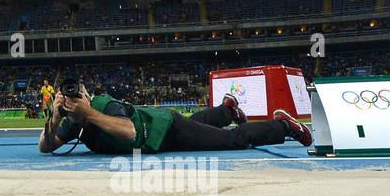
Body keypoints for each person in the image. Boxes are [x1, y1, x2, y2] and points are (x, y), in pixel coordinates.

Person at [38, 80, 312, 155]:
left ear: (88, 97)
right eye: (70, 100)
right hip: (164, 134)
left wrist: (89, 112)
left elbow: (129, 132)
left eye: (79, 98)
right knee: (199, 125)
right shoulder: (75, 123)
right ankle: (226, 111)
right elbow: (46, 146)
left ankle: (283, 126)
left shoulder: (103, 105)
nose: (75, 103)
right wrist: (54, 117)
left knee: (230, 140)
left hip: (166, 129)